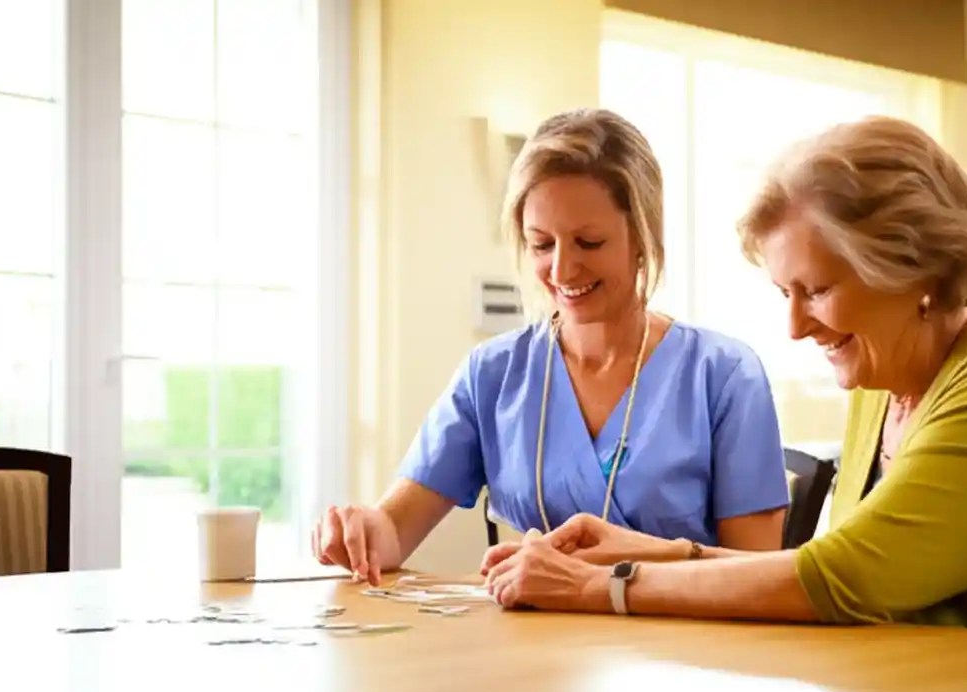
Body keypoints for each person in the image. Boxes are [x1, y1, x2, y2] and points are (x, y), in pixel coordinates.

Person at [482, 116, 967, 641]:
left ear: (915, 269)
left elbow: (837, 582)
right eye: (785, 293)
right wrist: (647, 552)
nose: (795, 327)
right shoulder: (880, 389)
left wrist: (598, 585)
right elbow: (818, 574)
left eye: (816, 290)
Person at [312, 108, 790, 585]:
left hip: (681, 651)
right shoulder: (495, 374)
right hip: (531, 648)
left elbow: (755, 573)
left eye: (589, 241)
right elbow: (396, 529)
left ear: (642, 237)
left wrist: (635, 566)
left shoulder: (723, 376)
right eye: (542, 245)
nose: (562, 271)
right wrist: (365, 530)